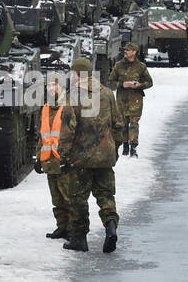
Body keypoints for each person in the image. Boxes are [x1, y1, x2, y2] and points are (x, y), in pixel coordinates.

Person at [58, 57, 125, 253]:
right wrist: (114, 148)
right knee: (105, 194)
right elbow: (118, 124)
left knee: (78, 197)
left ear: (77, 75)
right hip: (105, 156)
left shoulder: (74, 96)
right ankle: (110, 226)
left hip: (82, 158)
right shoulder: (106, 93)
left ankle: (79, 238)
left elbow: (68, 129)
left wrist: (63, 154)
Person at [34, 75, 70, 239]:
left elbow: (72, 134)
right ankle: (62, 227)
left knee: (68, 197)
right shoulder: (47, 107)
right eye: (47, 86)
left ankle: (73, 229)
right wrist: (38, 157)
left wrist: (68, 158)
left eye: (53, 85)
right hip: (50, 160)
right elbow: (43, 134)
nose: (49, 89)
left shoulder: (68, 107)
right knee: (57, 198)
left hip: (64, 160)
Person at [108, 42, 153, 157]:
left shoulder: (141, 67)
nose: (126, 52)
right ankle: (125, 145)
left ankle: (133, 147)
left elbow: (150, 83)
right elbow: (110, 82)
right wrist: (122, 84)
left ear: (134, 52)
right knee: (122, 123)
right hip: (122, 99)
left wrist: (139, 85)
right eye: (125, 50)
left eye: (128, 50)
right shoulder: (118, 65)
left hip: (135, 99)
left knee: (134, 123)